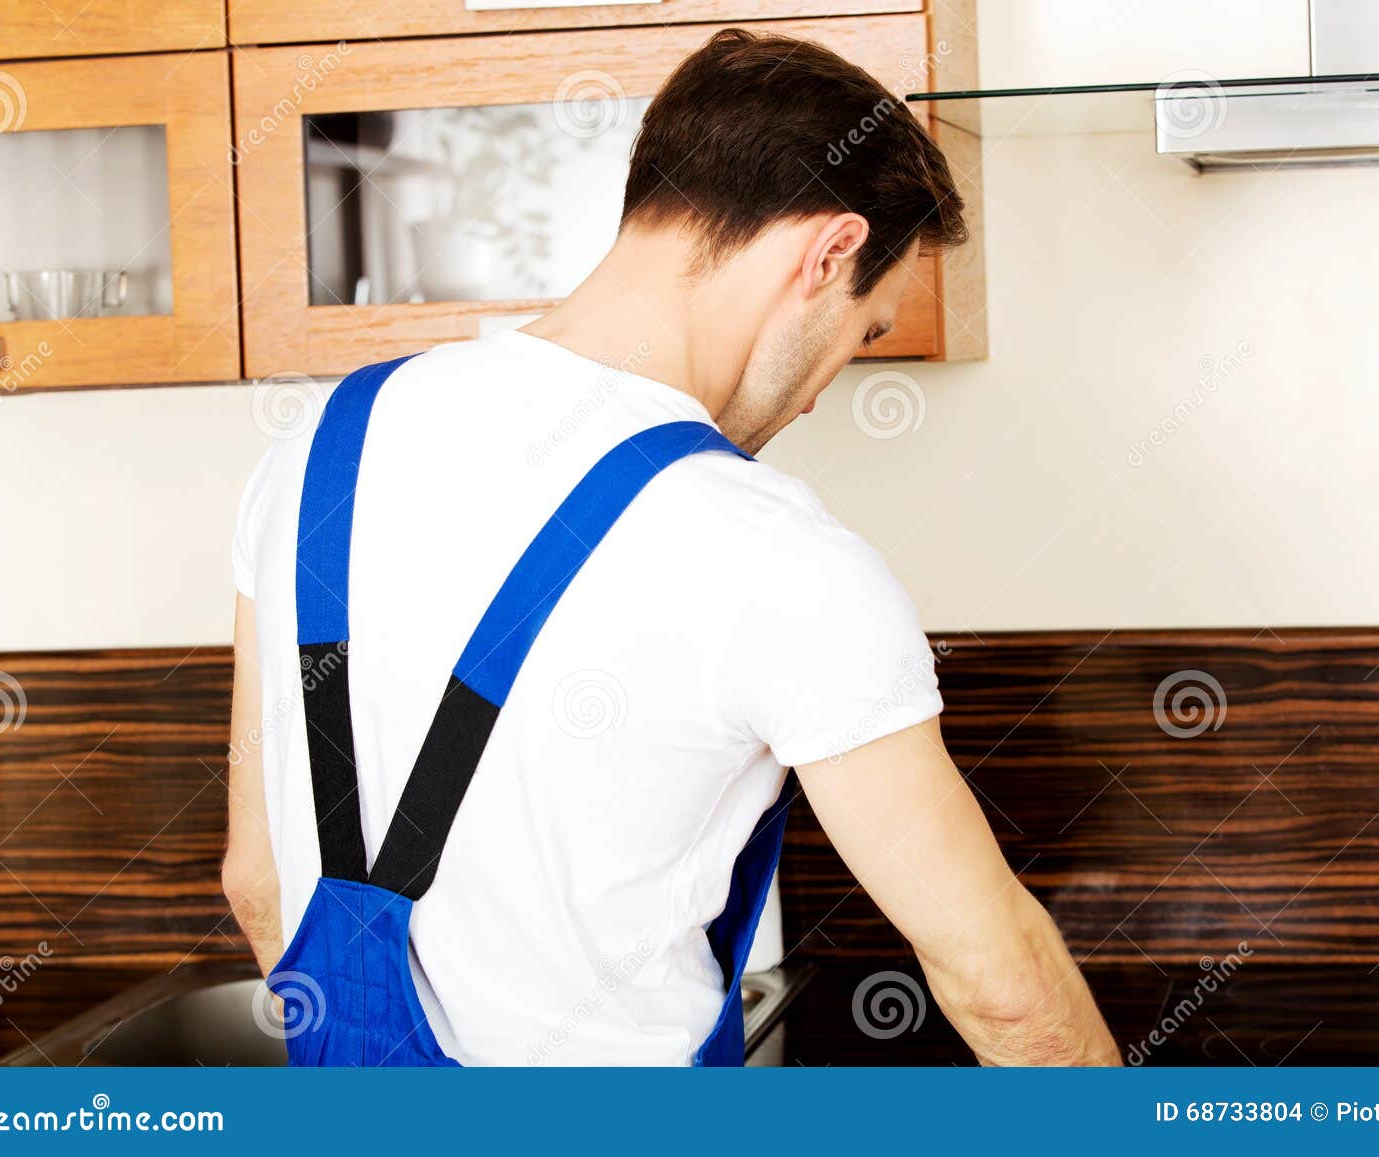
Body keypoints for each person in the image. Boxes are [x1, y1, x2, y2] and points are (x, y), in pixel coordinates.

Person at [224, 27, 1119, 1067]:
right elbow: (1001, 991)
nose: (827, 388)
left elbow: (259, 878)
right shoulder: (774, 553)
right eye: (862, 330)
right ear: (828, 252)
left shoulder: (316, 450)